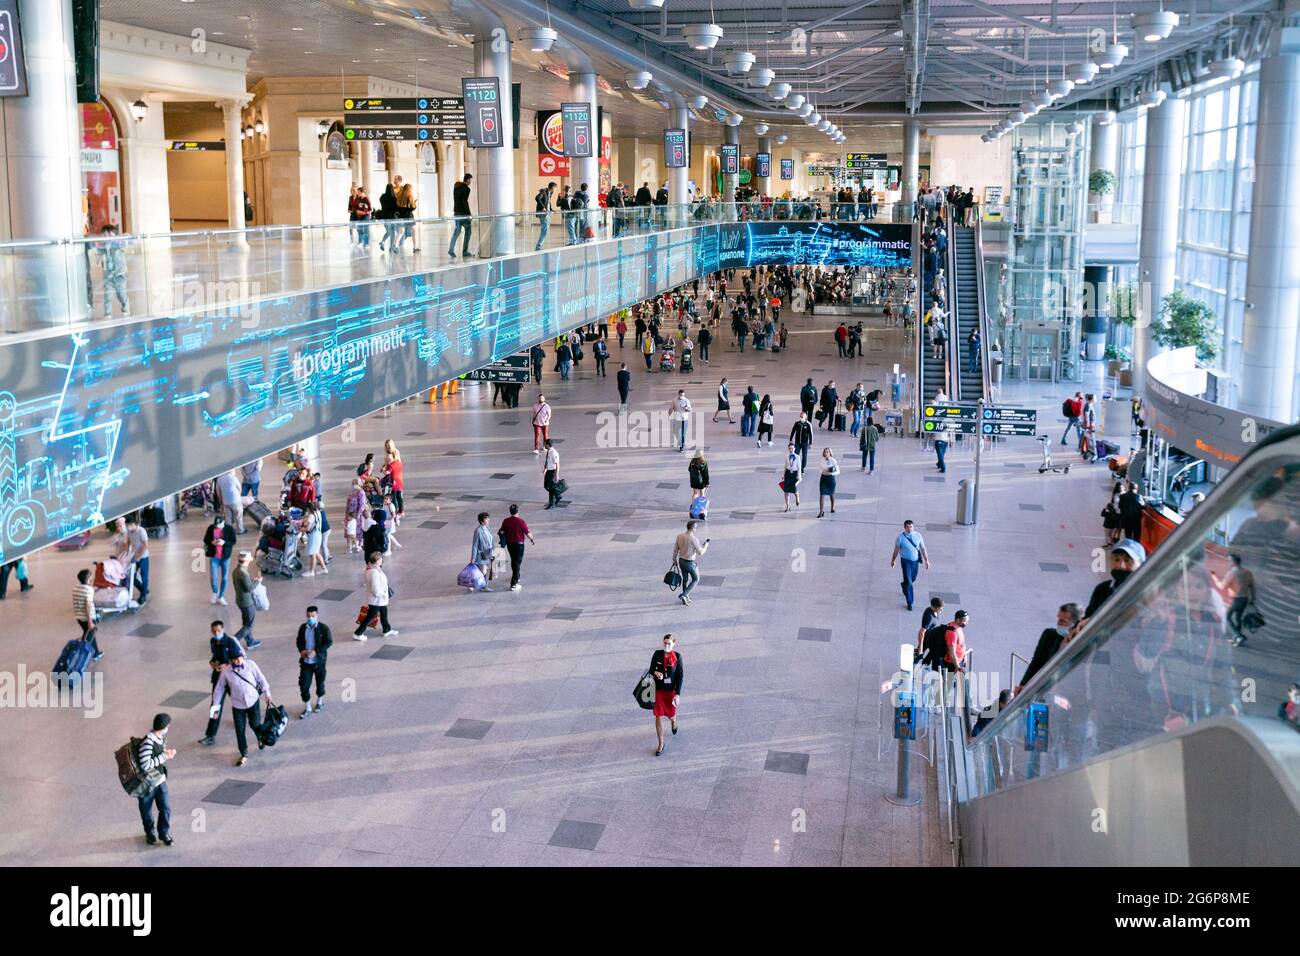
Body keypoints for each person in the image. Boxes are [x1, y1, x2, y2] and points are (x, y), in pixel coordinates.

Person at [210, 650, 273, 767]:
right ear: (231, 660)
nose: (239, 660)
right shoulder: (226, 672)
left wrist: (267, 693)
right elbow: (219, 689)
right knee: (240, 729)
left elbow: (261, 678)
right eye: (236, 659)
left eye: (240, 658)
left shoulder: (251, 665)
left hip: (253, 701)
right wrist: (215, 707)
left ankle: (260, 737)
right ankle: (243, 752)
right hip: (237, 705)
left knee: (255, 724)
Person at [1015, 604, 1082, 694]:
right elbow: (1036, 662)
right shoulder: (1049, 635)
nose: (1058, 623)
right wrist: (1024, 685)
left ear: (1075, 624)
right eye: (1058, 618)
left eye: (1063, 621)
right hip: (1041, 689)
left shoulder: (1080, 644)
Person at [136, 713, 176, 846]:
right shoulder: (148, 741)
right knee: (146, 811)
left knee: (165, 809)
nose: (168, 727)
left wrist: (166, 754)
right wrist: (165, 757)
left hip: (160, 780)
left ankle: (164, 832)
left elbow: (159, 756)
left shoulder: (161, 738)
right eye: (167, 725)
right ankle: (150, 832)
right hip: (147, 784)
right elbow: (145, 764)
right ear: (163, 726)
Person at [649, 633, 684, 757]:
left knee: (671, 715)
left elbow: (680, 676)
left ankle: (674, 720)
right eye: (665, 643)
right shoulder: (657, 654)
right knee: (658, 715)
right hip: (659, 690)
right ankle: (661, 744)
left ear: (674, 644)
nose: (666, 645)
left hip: (671, 692)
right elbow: (651, 669)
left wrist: (678, 694)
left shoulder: (678, 657)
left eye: (669, 643)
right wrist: (656, 672)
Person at [354, 553, 398, 640]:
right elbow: (375, 590)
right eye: (381, 559)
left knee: (384, 613)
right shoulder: (374, 573)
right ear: (377, 561)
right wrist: (383, 593)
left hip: (380, 600)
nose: (382, 561)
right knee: (371, 616)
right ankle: (358, 633)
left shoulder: (374, 569)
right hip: (376, 600)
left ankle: (387, 629)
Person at [890, 519, 930, 611]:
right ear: (904, 528)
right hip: (905, 561)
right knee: (909, 582)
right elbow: (896, 550)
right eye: (907, 527)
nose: (909, 528)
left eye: (911, 526)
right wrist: (893, 560)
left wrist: (927, 560)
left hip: (915, 561)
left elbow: (923, 548)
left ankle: (904, 585)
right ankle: (910, 602)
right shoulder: (900, 537)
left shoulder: (918, 535)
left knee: (913, 578)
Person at [671, 520, 709, 607]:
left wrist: (674, 560)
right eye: (696, 527)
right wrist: (706, 545)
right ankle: (684, 595)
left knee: (685, 579)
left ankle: (686, 596)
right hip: (690, 562)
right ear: (693, 528)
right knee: (696, 579)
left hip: (681, 561)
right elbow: (701, 552)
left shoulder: (679, 536)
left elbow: (675, 549)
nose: (696, 529)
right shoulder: (694, 539)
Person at [499, 504, 536, 592]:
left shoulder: (506, 521)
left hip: (510, 545)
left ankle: (517, 575)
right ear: (518, 511)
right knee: (517, 562)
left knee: (514, 560)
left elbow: (502, 531)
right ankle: (514, 583)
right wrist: (532, 538)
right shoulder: (521, 521)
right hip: (519, 545)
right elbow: (528, 534)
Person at [231, 551, 264, 648]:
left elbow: (244, 585)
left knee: (246, 622)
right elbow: (249, 589)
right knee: (250, 624)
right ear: (246, 560)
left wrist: (251, 581)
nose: (251, 560)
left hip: (240, 600)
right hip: (247, 602)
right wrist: (258, 581)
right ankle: (234, 640)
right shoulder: (243, 573)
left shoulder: (236, 571)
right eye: (249, 558)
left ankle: (250, 641)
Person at [204, 514, 236, 605]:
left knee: (224, 577)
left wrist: (224, 542)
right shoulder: (211, 528)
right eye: (216, 525)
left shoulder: (229, 529)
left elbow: (233, 541)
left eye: (219, 525)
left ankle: (221, 596)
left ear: (223, 523)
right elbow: (206, 539)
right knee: (213, 577)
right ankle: (215, 592)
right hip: (214, 557)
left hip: (225, 557)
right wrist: (211, 542)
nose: (217, 527)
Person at [72, 568, 103, 662]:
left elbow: (83, 595)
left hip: (79, 617)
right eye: (91, 576)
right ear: (88, 578)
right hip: (88, 618)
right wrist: (90, 621)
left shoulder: (75, 588)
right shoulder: (89, 590)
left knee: (89, 634)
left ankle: (96, 653)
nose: (92, 577)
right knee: (87, 638)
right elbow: (88, 605)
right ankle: (80, 656)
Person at [448, 173, 473, 258]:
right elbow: (464, 202)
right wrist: (469, 214)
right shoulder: (466, 189)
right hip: (463, 214)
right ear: (468, 179)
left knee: (456, 232)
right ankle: (465, 252)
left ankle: (451, 250)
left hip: (456, 213)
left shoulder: (456, 187)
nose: (471, 182)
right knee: (468, 231)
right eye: (470, 180)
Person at [471, 512, 496, 591]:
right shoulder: (478, 531)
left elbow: (491, 541)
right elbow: (475, 545)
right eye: (486, 518)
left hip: (488, 553)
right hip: (481, 554)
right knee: (484, 571)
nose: (488, 520)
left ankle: (483, 586)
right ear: (481, 521)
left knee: (486, 570)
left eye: (488, 518)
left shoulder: (488, 528)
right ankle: (474, 583)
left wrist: (493, 552)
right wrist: (473, 557)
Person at [817, 447, 839, 518]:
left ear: (830, 453)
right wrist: (823, 472)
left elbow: (838, 471)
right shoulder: (821, 460)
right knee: (822, 495)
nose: (826, 453)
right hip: (823, 478)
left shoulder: (833, 460)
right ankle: (821, 511)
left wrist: (831, 473)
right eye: (825, 452)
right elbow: (819, 469)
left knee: (831, 494)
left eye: (827, 452)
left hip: (831, 479)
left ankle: (832, 507)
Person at [534, 181, 556, 250]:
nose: (555, 189)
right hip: (543, 213)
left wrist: (551, 209)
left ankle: (540, 244)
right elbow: (537, 198)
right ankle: (539, 245)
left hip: (547, 213)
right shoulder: (544, 192)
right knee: (545, 230)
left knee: (545, 229)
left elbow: (548, 202)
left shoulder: (550, 193)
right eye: (555, 188)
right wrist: (543, 207)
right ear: (552, 188)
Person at [377, 182, 398, 252]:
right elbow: (396, 208)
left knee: (389, 232)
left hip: (385, 217)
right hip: (393, 218)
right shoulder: (394, 197)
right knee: (392, 233)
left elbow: (381, 201)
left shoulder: (382, 197)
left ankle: (382, 242)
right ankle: (391, 247)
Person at [542, 438, 563, 509]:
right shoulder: (548, 451)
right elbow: (547, 460)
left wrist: (556, 474)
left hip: (552, 472)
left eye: (544, 444)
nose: (543, 445)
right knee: (546, 486)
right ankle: (557, 495)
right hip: (548, 471)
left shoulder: (554, 453)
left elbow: (558, 464)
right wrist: (545, 469)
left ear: (547, 445)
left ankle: (552, 504)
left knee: (551, 488)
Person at [781, 443, 802, 512]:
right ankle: (788, 506)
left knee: (794, 489)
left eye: (792, 448)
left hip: (794, 474)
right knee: (786, 491)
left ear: (794, 449)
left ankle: (797, 496)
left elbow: (799, 467)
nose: (791, 450)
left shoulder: (798, 457)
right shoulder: (786, 456)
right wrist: (783, 475)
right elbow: (785, 465)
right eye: (789, 448)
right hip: (788, 473)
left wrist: (799, 476)